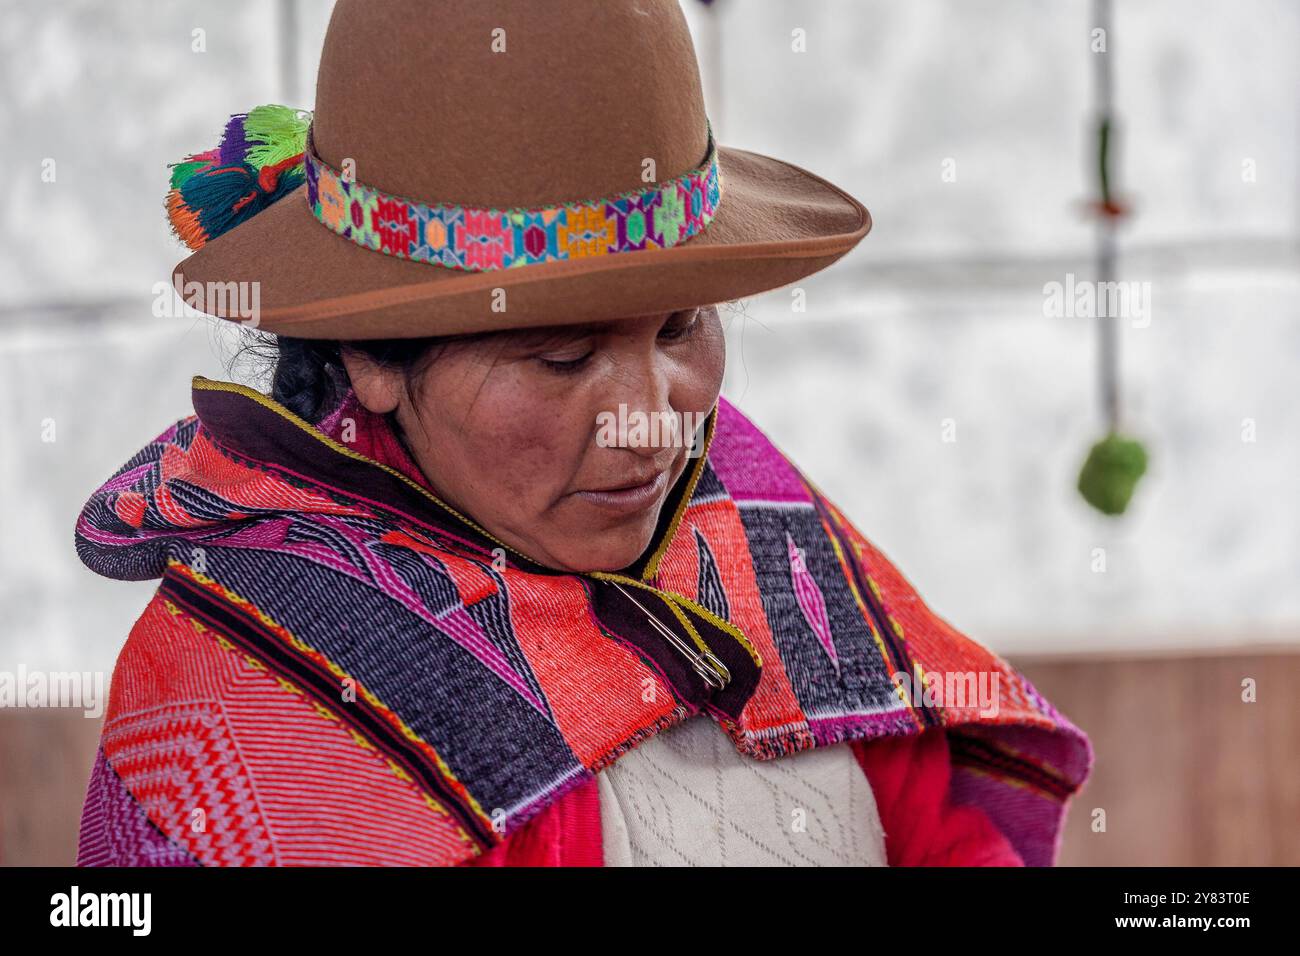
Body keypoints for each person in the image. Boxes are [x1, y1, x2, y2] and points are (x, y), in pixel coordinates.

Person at [73, 0, 1092, 867]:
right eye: (562, 357)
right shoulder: (250, 697)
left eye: (683, 325)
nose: (653, 418)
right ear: (373, 354)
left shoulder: (755, 534)